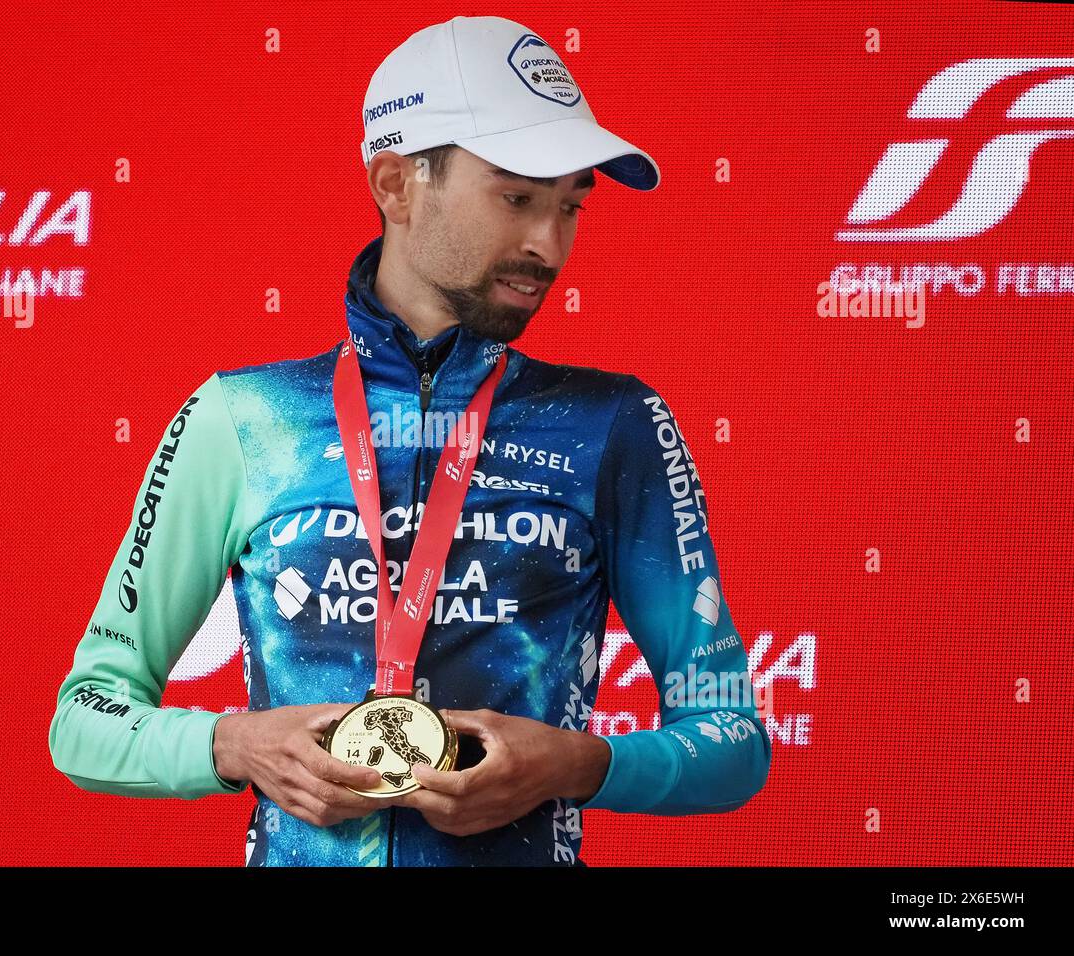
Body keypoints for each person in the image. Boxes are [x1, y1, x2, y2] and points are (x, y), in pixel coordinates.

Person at [48, 15, 770, 866]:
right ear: (396, 185)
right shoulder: (242, 417)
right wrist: (235, 746)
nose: (549, 244)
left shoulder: (613, 422)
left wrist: (578, 763)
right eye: (517, 198)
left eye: (570, 206)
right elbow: (86, 718)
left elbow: (731, 741)